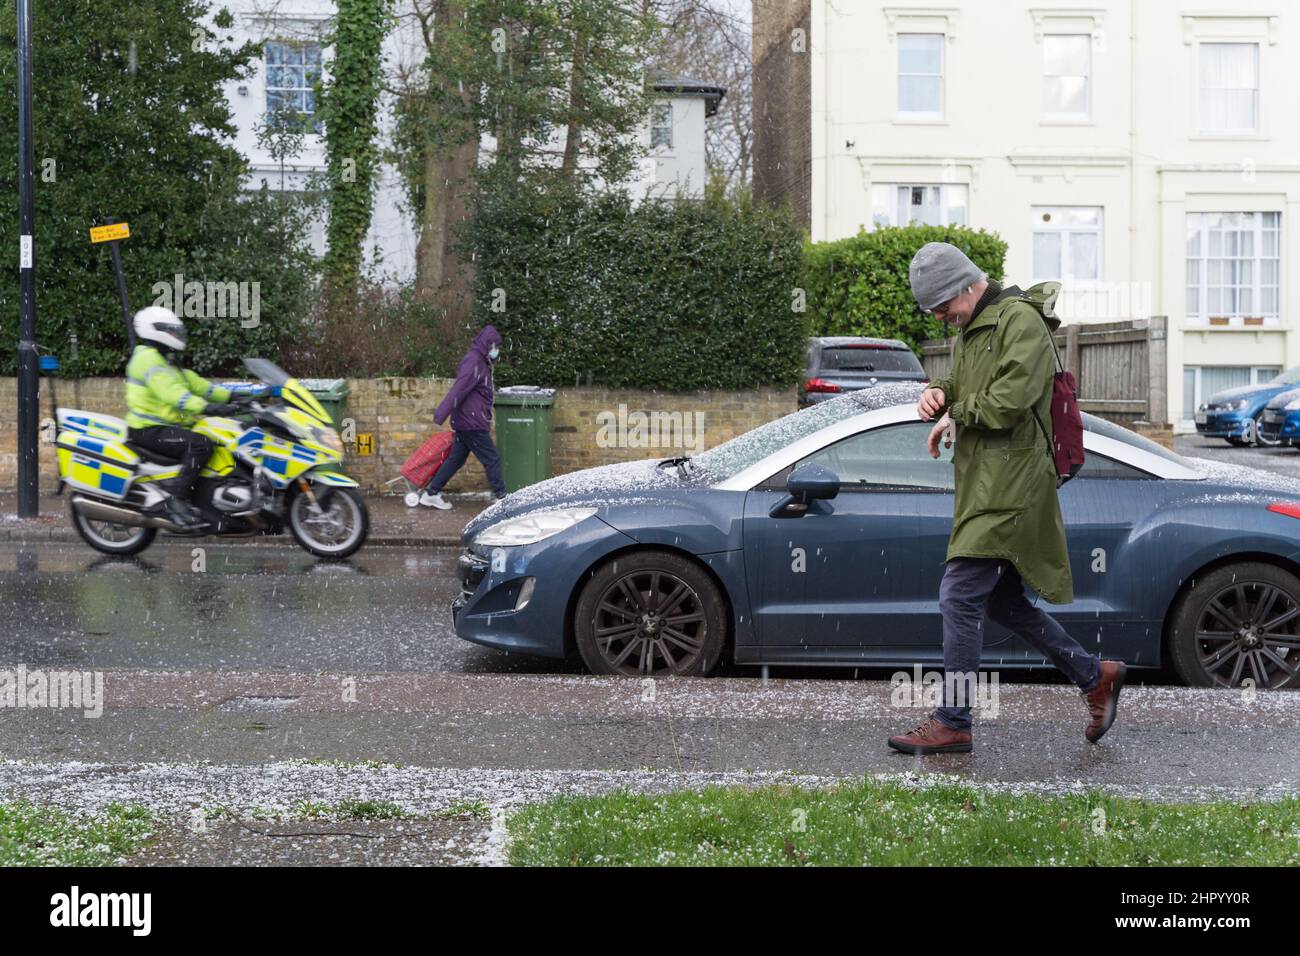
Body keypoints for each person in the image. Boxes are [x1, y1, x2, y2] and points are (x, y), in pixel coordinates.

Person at [887, 242, 1126, 755]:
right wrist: (940, 392)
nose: (939, 317)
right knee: (1002, 602)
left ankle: (954, 720)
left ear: (965, 287)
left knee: (958, 594)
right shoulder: (974, 329)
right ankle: (1094, 676)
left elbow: (1013, 398)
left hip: (1013, 484)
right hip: (986, 481)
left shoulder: (1020, 321)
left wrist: (959, 413)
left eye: (940, 306)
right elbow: (971, 384)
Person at [125, 306, 249, 528]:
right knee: (200, 444)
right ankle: (176, 498)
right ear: (155, 331)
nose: (176, 335)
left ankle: (206, 501)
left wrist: (234, 396)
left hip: (164, 427)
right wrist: (209, 408)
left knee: (219, 440)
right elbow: (175, 396)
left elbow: (199, 385)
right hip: (149, 429)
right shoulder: (148, 360)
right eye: (171, 331)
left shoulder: (165, 360)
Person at [418, 324, 508, 509]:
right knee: (492, 459)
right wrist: (441, 413)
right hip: (471, 422)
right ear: (488, 345)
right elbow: (459, 389)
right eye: (495, 347)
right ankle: (501, 498)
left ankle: (431, 493)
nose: (497, 351)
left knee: (456, 460)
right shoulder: (474, 361)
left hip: (469, 420)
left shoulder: (480, 361)